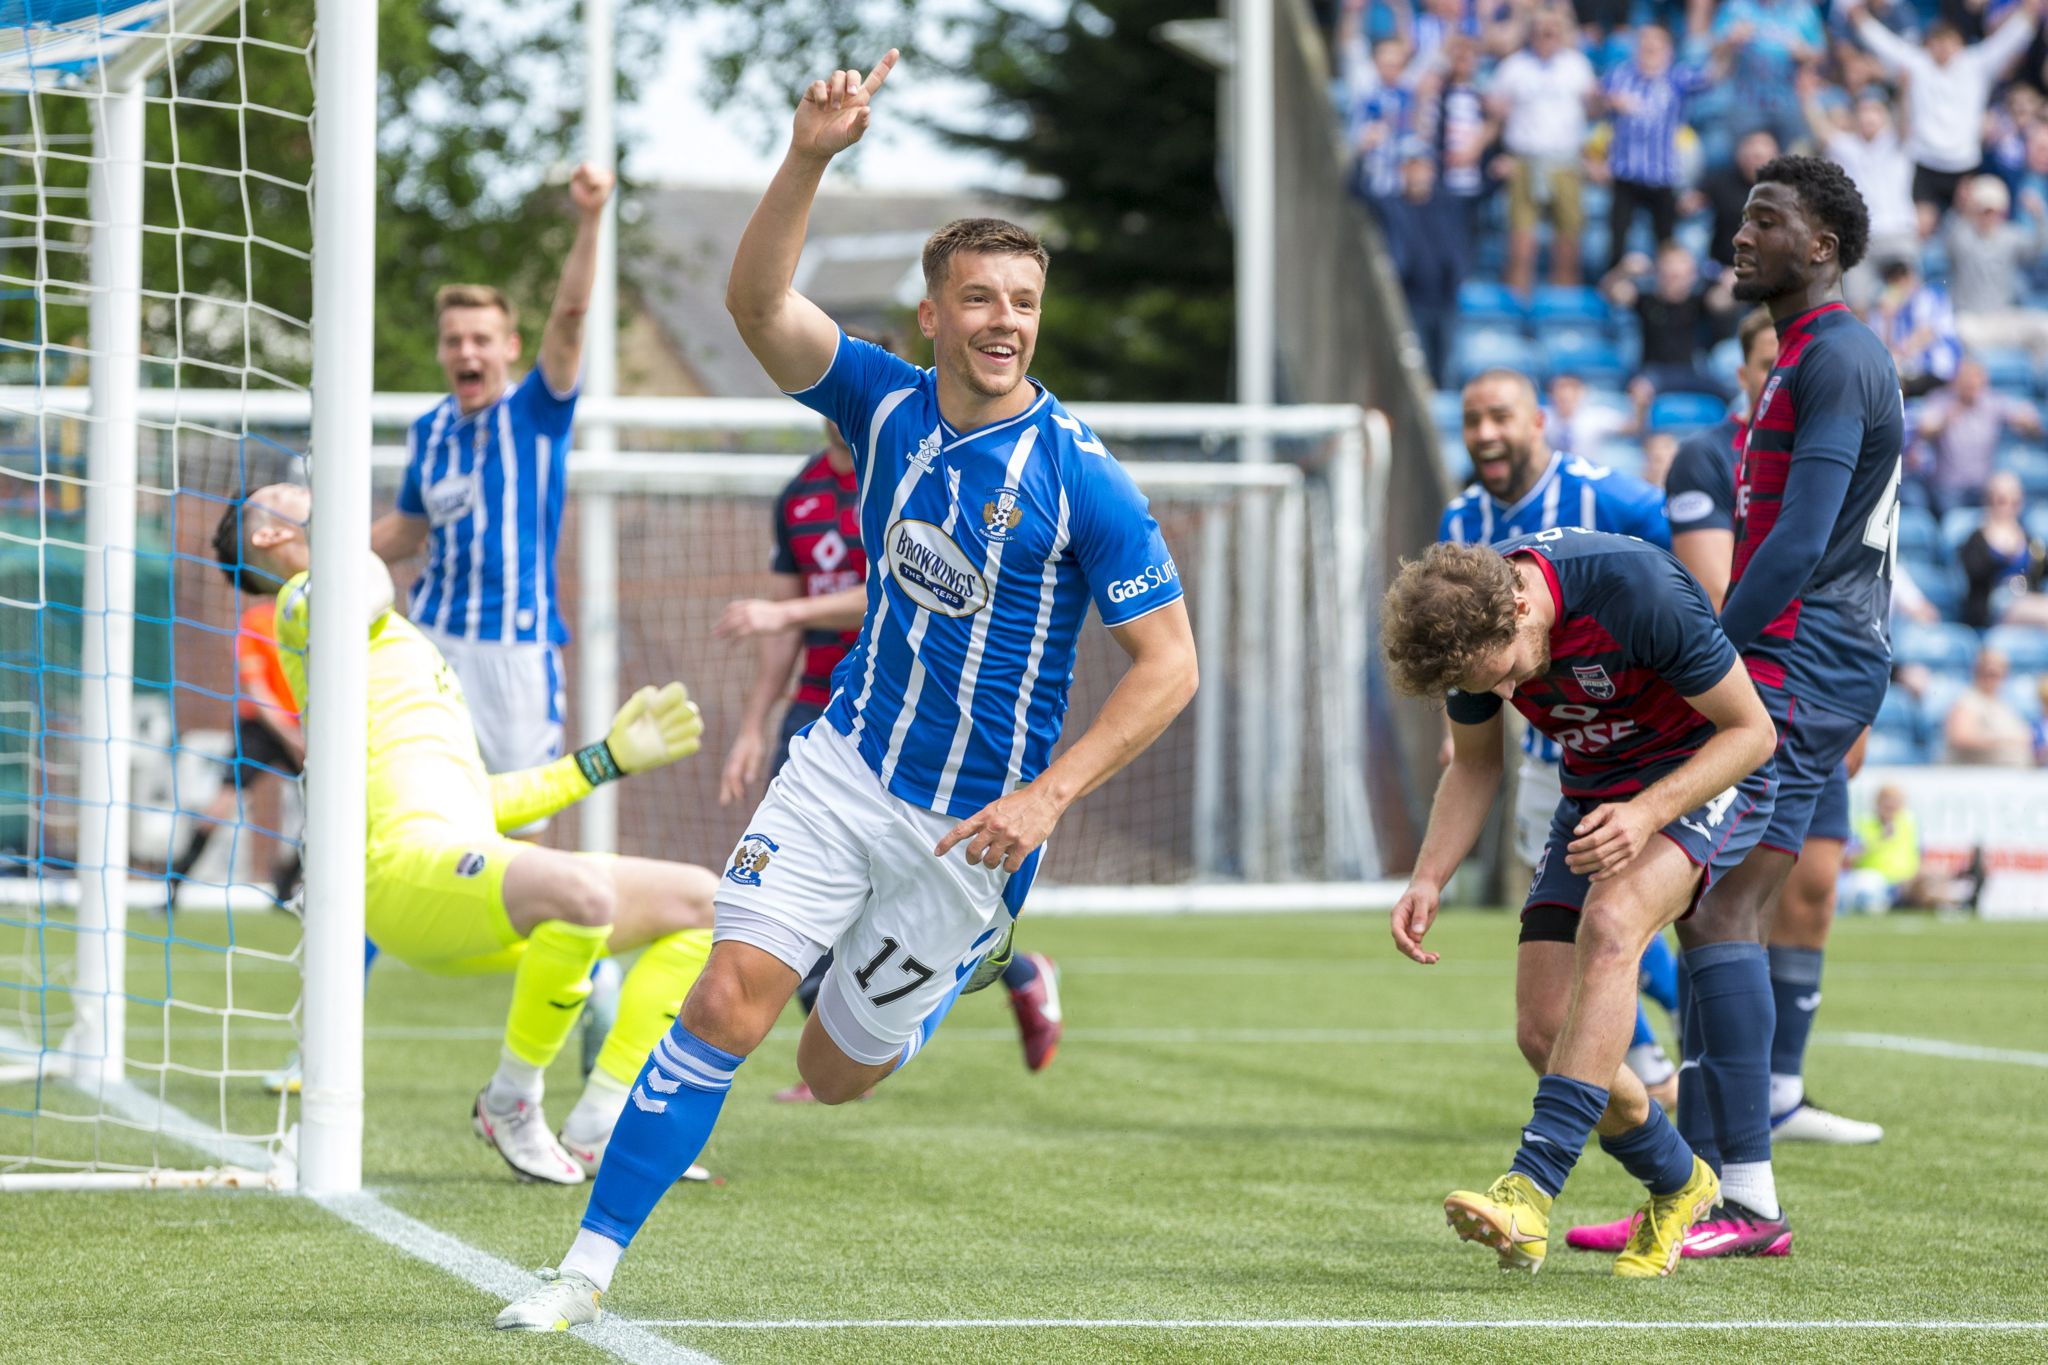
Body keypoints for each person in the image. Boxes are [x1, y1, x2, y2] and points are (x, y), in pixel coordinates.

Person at [496, 51, 1200, 1331]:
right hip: (843, 767)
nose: (1003, 320)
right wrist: (811, 153)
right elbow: (756, 302)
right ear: (928, 315)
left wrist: (1046, 799)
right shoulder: (877, 401)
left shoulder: (1083, 478)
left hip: (972, 828)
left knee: (834, 1071)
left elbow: (1170, 667)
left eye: (1023, 301)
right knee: (725, 1000)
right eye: (978, 297)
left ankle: (972, 959)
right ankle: (583, 1273)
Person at [1583, 154, 1905, 1260]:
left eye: (1764, 220)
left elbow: (1799, 543)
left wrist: (1704, 657)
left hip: (1801, 656)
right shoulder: (1810, 354)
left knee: (1719, 908)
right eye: (1741, 216)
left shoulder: (1834, 358)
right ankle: (1709, 1192)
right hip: (1804, 652)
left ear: (1819, 246)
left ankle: (1743, 1203)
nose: (1738, 234)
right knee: (1719, 909)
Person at [214, 485, 720, 1186]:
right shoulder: (302, 604)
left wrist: (606, 758)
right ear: (269, 537)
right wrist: (357, 553)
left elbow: (474, 800)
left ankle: (603, 1120)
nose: (306, 486)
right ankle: (511, 1099)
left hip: (454, 860)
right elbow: (361, 581)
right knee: (581, 891)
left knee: (704, 902)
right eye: (285, 492)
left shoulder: (381, 634)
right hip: (397, 872)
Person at [1383, 531, 1777, 1277]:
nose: (1503, 693)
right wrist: (1429, 875)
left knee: (1612, 923)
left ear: (1523, 605)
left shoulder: (1637, 594)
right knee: (1542, 1031)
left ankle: (1530, 1189)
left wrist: (1648, 813)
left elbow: (1752, 731)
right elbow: (1473, 765)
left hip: (1704, 771)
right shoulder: (1469, 629)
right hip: (1599, 793)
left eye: (1501, 674)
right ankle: (1681, 1182)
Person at [714, 350, 1066, 1096]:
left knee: (911, 895)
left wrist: (793, 610)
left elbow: (894, 583)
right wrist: (752, 722)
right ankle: (839, 1051)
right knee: (811, 898)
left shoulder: (929, 467)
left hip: (925, 715)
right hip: (828, 713)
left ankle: (1006, 970)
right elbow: (784, 622)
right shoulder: (802, 491)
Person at [1655, 303, 1886, 1161]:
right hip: (1750, 689)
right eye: (1759, 361)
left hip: (1807, 679)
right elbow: (1719, 583)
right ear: (1748, 369)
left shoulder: (1834, 425)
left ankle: (1767, 1110)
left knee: (1805, 887)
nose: (1771, 373)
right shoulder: (1711, 453)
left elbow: (1857, 560)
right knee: (1718, 908)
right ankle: (1719, 1159)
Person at [1437, 367, 1680, 1106]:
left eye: (1500, 417)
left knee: (1610, 914)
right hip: (1546, 756)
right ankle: (1650, 1062)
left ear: (1539, 420)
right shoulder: (1459, 524)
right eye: (1473, 420)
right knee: (1586, 922)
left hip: (1637, 747)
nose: (1485, 433)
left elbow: (1692, 573)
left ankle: (1668, 1056)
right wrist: (1463, 733)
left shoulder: (1614, 496)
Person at [369, 163, 614, 791]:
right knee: (418, 801)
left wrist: (589, 218)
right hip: (430, 641)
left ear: (509, 347)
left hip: (513, 649)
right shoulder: (428, 431)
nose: (466, 352)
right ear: (441, 351)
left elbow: (571, 314)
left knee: (520, 814)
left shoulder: (535, 412)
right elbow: (406, 530)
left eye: (481, 338)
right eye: (453, 341)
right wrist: (321, 558)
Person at [1846, 2, 2043, 237]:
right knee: (1921, 227)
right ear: (1929, 45)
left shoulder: (1976, 64)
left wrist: (2030, 11)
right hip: (1925, 162)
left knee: (1970, 231)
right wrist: (1857, 17)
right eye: (1937, 43)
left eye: (1950, 42)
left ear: (1959, 44)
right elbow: (1883, 43)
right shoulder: (1917, 64)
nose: (1944, 48)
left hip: (1963, 163)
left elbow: (2006, 41)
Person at [169, 595, 304, 900]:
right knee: (222, 804)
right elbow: (258, 691)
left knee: (324, 809)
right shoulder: (257, 621)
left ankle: (287, 881)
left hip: (305, 727)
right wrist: (292, 736)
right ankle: (175, 880)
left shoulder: (314, 620)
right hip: (261, 727)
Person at [1488, 9, 1597, 293]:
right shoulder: (1514, 67)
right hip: (1524, 161)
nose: (1546, 34)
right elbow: (1494, 113)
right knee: (1521, 243)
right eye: (1540, 28)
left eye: (1552, 28)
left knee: (1568, 242)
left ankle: (1562, 314)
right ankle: (1515, 307)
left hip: (1566, 162)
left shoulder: (1577, 65)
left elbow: (1593, 109)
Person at [1597, 23, 1715, 276]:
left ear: (1668, 50)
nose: (1650, 49)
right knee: (1617, 236)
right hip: (1625, 173)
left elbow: (1711, 78)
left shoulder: (1676, 77)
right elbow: (1594, 101)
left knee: (1665, 239)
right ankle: (1614, 285)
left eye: (1656, 45)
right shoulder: (1619, 76)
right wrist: (1607, 101)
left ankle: (1667, 286)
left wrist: (1726, 49)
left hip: (1662, 174)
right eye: (1645, 44)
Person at [1800, 77, 1917, 307]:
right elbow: (1822, 130)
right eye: (1863, 111)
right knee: (1856, 303)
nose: (1869, 117)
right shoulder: (1846, 147)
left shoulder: (1899, 144)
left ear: (1885, 116)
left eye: (1875, 111)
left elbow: (1907, 120)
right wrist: (1807, 97)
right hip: (1860, 236)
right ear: (1855, 117)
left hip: (1898, 232)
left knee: (1904, 299)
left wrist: (1905, 92)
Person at [1601, 242, 1740, 399]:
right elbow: (1609, 291)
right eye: (1670, 274)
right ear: (1658, 273)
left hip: (1690, 373)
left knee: (1731, 392)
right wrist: (1623, 270)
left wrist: (1731, 283)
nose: (1676, 280)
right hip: (1653, 372)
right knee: (1640, 389)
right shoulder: (1646, 300)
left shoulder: (1698, 301)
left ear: (1692, 275)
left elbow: (1724, 302)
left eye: (1682, 275)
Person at [1916, 356, 2045, 516]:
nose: (1972, 383)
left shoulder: (1991, 401)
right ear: (1957, 380)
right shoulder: (1940, 399)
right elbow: (1925, 428)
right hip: (1948, 488)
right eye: (1967, 378)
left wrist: (2028, 419)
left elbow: (2022, 415)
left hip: (1982, 486)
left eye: (1977, 377)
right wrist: (1946, 418)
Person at [1381, 149, 1465, 386]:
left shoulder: (1446, 203)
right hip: (1413, 298)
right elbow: (1357, 190)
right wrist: (1363, 155)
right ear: (1403, 172)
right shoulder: (1393, 204)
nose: (1418, 175)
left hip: (1446, 297)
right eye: (1413, 168)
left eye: (1422, 168)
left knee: (1446, 365)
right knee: (1418, 365)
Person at [1942, 176, 2048, 355]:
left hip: (2001, 317)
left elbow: (2037, 250)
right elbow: (1950, 235)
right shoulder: (1962, 235)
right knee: (1957, 332)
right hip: (1970, 320)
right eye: (1984, 210)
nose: (1989, 216)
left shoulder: (2010, 236)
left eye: (1994, 211)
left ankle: (2038, 378)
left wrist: (2039, 216)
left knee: (2044, 327)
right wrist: (1963, 205)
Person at [1958, 471, 2048, 629]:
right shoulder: (1977, 539)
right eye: (2001, 500)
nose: (2008, 506)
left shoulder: (2029, 539)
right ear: (1989, 500)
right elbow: (1974, 575)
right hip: (1995, 608)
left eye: (2014, 501)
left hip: (2028, 600)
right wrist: (2003, 550)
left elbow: (2041, 572)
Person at [1873, 258, 1964, 402]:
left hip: (1936, 372)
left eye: (1902, 278)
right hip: (1907, 373)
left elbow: (1925, 335)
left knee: (1889, 386)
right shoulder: (1886, 311)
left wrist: (1896, 356)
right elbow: (1883, 347)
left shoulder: (1928, 297)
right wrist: (1888, 319)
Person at [1690, 130, 1778, 276]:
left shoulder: (1784, 189)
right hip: (1722, 265)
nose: (1754, 162)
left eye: (1759, 157)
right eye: (1750, 155)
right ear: (1739, 155)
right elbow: (1690, 204)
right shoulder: (1721, 180)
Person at [1837, 783, 1922, 913]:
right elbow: (1848, 857)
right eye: (1887, 802)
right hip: (1874, 880)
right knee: (1866, 884)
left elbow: (1918, 855)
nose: (1891, 807)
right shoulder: (1864, 823)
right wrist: (1879, 839)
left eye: (1895, 802)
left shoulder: (1908, 823)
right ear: (1878, 803)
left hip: (1904, 882)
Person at [1944, 646, 2036, 765]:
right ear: (1976, 671)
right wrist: (2004, 742)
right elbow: (1960, 738)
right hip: (1978, 776)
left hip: (2010, 776)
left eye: (1997, 673)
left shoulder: (2004, 703)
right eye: (1987, 672)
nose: (1992, 679)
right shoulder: (1967, 701)